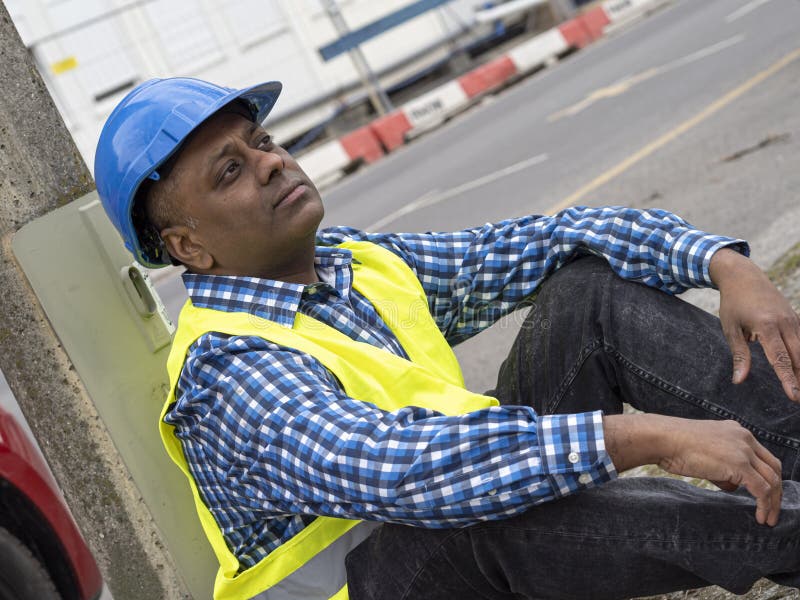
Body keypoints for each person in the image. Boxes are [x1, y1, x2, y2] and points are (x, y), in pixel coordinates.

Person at [94, 77, 800, 600]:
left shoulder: (352, 265)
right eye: (230, 171)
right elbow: (404, 473)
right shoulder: (227, 372)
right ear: (189, 247)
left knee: (586, 298)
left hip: (453, 552)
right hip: (400, 575)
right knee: (464, 509)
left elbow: (537, 243)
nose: (272, 164)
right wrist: (649, 438)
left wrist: (719, 262)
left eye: (262, 143)